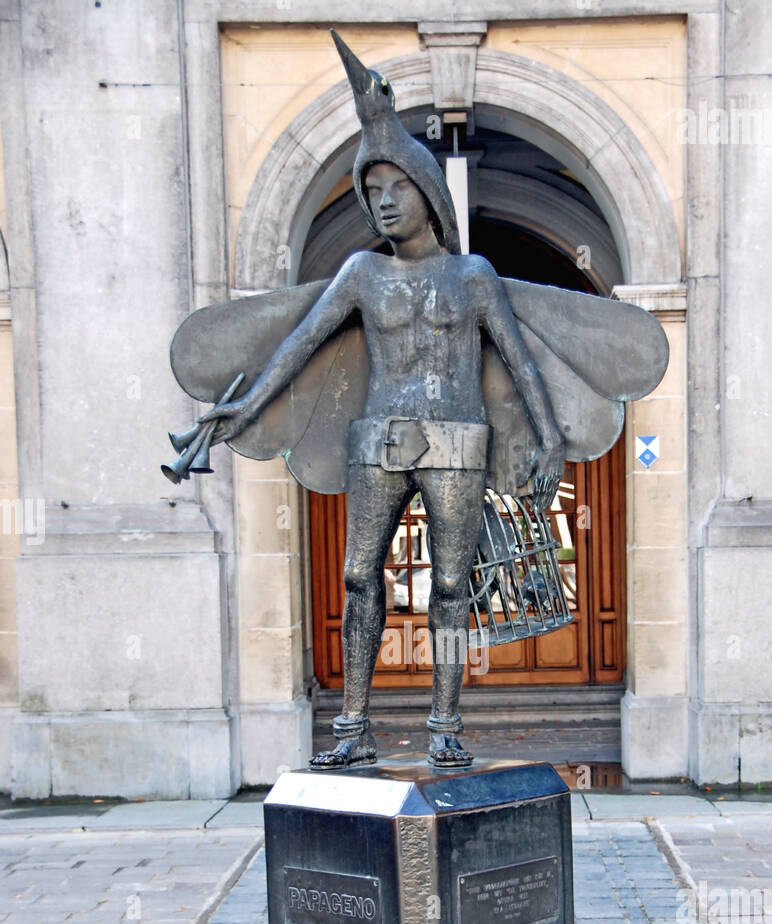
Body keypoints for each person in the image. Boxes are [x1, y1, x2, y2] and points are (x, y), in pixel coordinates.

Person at [200, 37, 564, 770]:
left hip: (460, 440)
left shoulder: (474, 274)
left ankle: (444, 724)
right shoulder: (362, 272)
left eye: (395, 186)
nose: (383, 202)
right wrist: (238, 411)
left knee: (453, 586)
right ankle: (353, 726)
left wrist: (550, 438)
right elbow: (299, 345)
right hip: (381, 439)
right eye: (373, 192)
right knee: (361, 575)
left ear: (427, 192)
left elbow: (520, 362)